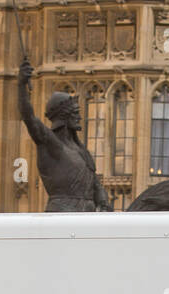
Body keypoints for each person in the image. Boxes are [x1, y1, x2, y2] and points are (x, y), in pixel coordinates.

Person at [17, 58, 111, 212]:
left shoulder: (80, 151)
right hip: (63, 213)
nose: (79, 117)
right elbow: (29, 117)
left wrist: (104, 202)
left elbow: (95, 184)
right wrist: (21, 86)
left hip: (88, 215)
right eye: (75, 113)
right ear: (64, 117)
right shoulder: (51, 143)